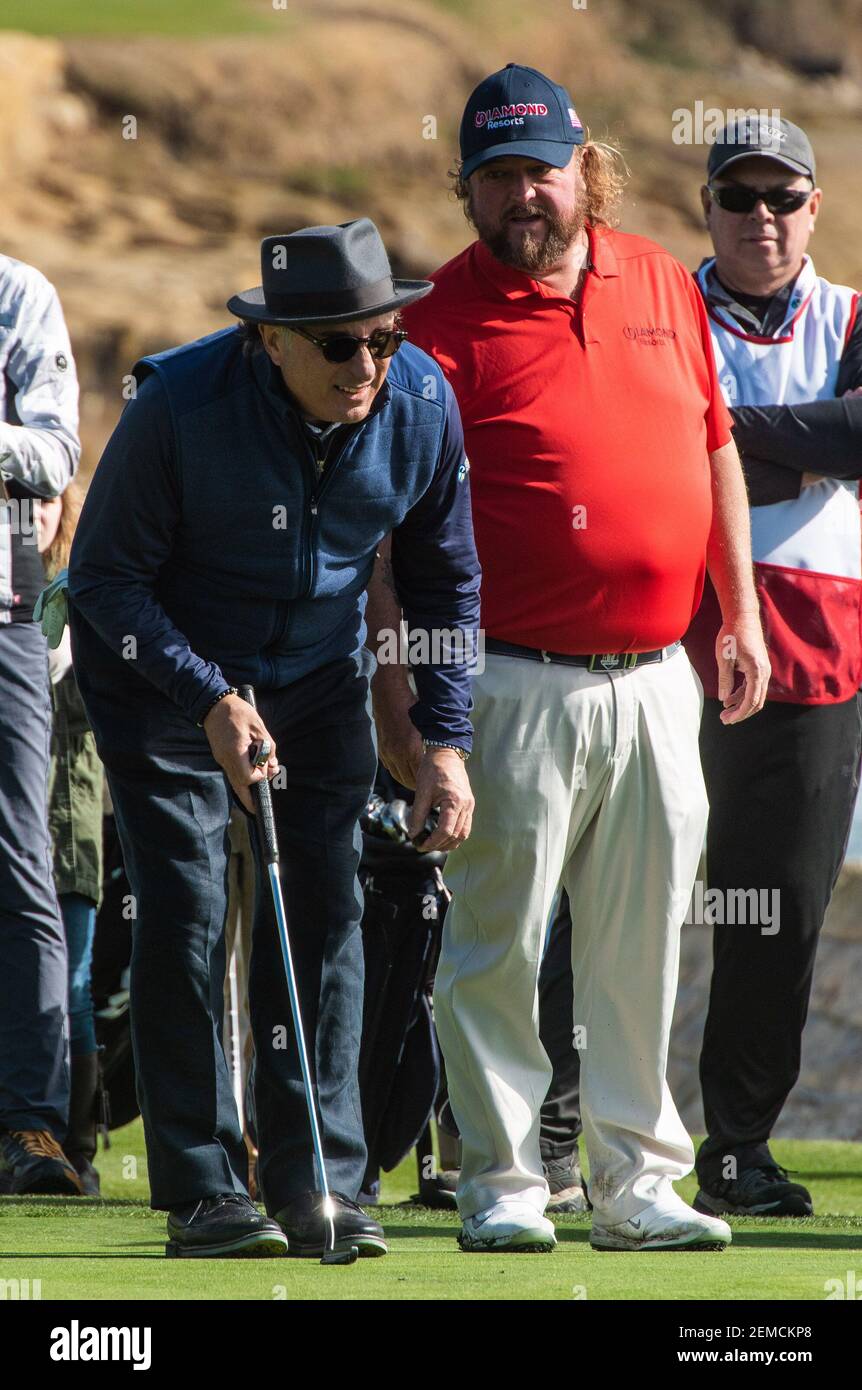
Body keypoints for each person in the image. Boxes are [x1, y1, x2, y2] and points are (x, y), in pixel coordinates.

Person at [386, 63, 771, 1253]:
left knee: (639, 944)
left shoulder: (659, 278)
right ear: (469, 189)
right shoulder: (434, 324)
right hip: (506, 679)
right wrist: (410, 714)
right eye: (494, 178)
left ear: (581, 169)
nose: (521, 198)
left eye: (538, 172)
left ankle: (636, 1183)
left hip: (658, 675)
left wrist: (738, 612)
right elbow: (395, 542)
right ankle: (500, 1179)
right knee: (496, 945)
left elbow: (713, 449)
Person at [68, 219, 479, 1258]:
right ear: (272, 342)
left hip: (316, 679)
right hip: (160, 675)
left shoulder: (421, 402)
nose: (368, 365)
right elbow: (108, 582)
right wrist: (206, 695)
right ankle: (205, 1189)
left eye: (383, 338)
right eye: (339, 344)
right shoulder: (179, 408)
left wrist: (443, 738)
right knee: (189, 907)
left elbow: (444, 582)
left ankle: (321, 1184)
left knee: (328, 913)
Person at [684, 118, 862, 1218]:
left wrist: (720, 436)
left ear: (812, 208)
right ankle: (544, 1142)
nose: (761, 217)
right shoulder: (660, 307)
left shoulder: (849, 314)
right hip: (669, 634)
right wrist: (798, 445)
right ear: (705, 205)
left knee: (776, 910)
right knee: (614, 896)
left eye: (781, 198)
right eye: (738, 196)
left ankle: (738, 1148)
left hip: (815, 650)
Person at [0, 253, 82, 1196]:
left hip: (7, 617)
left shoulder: (20, 294)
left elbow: (56, 453)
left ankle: (31, 1125)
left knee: (21, 864)